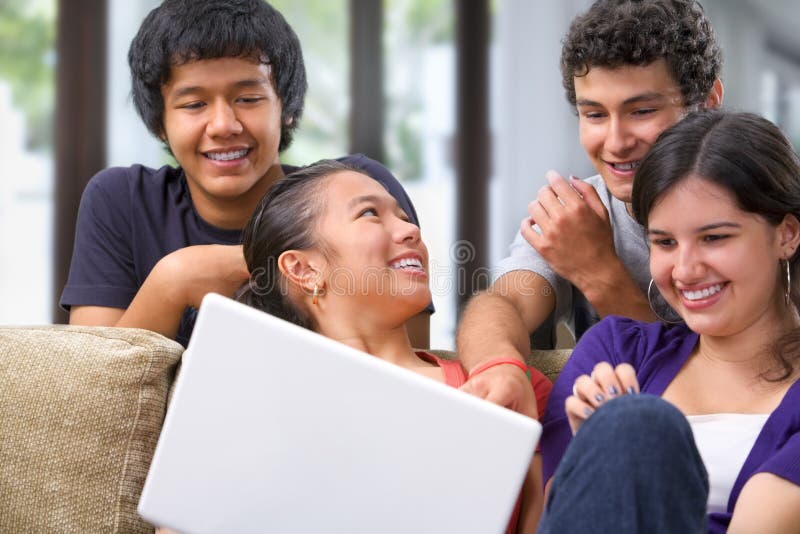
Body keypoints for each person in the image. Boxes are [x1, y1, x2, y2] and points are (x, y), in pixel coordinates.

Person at [59, 0, 431, 348]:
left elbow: (409, 362)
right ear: (160, 123)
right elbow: (96, 385)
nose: (223, 125)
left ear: (286, 107)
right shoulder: (122, 200)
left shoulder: (360, 191)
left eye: (248, 99)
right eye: (194, 104)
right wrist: (174, 280)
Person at [236, 160, 553, 534]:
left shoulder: (509, 390)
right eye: (369, 213)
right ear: (304, 270)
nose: (411, 230)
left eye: (404, 216)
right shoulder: (254, 398)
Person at [538, 110, 800, 533]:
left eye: (714, 238)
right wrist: (599, 454)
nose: (685, 269)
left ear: (786, 234)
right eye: (664, 242)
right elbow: (555, 518)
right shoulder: (616, 349)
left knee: (640, 425)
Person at [456, 0, 724, 414]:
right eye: (595, 114)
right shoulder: (575, 213)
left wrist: (598, 271)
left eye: (642, 111)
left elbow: (721, 381)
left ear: (707, 103)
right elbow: (502, 304)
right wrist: (499, 366)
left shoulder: (761, 210)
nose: (615, 142)